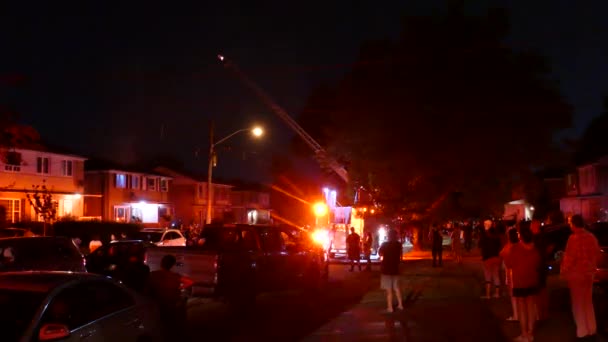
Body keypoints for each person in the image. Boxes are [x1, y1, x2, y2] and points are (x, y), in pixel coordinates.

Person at [561, 215, 601, 339]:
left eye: (570, 223)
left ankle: (582, 330)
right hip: (589, 274)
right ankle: (591, 328)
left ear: (573, 224)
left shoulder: (573, 239)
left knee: (578, 303)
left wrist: (563, 271)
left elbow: (569, 259)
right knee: (588, 302)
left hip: (577, 275)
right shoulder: (591, 237)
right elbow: (597, 254)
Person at [503, 226, 541, 342]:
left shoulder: (516, 248)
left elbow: (508, 263)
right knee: (530, 308)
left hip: (519, 282)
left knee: (522, 310)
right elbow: (538, 263)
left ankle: (524, 334)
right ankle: (530, 333)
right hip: (532, 281)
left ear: (521, 237)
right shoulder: (535, 249)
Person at [146, 254, 194, 341]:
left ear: (161, 263)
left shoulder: (153, 275)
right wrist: (180, 287)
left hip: (158, 305)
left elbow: (147, 288)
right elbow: (190, 282)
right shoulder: (175, 276)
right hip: (171, 306)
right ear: (172, 265)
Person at [379, 229, 404, 313]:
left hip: (386, 269)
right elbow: (400, 255)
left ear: (388, 236)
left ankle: (390, 307)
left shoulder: (384, 245)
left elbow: (380, 253)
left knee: (389, 290)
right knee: (397, 288)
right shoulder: (398, 245)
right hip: (395, 268)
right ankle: (400, 305)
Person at [530, 219, 550, 321]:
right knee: (543, 289)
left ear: (534, 226)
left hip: (537, 266)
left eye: (531, 226)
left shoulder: (535, 239)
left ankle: (540, 314)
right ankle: (544, 312)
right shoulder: (543, 236)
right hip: (543, 265)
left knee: (538, 290)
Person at [500, 227, 520, 322]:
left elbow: (502, 255)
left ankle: (516, 315)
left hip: (511, 272)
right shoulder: (520, 245)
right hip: (520, 272)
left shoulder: (508, 246)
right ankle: (521, 313)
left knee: (513, 295)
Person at [479, 220, 502, 299]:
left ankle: (488, 295)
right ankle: (497, 294)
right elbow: (499, 246)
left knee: (488, 276)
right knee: (496, 275)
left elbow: (480, 245)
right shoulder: (497, 237)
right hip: (496, 257)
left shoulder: (484, 236)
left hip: (487, 258)